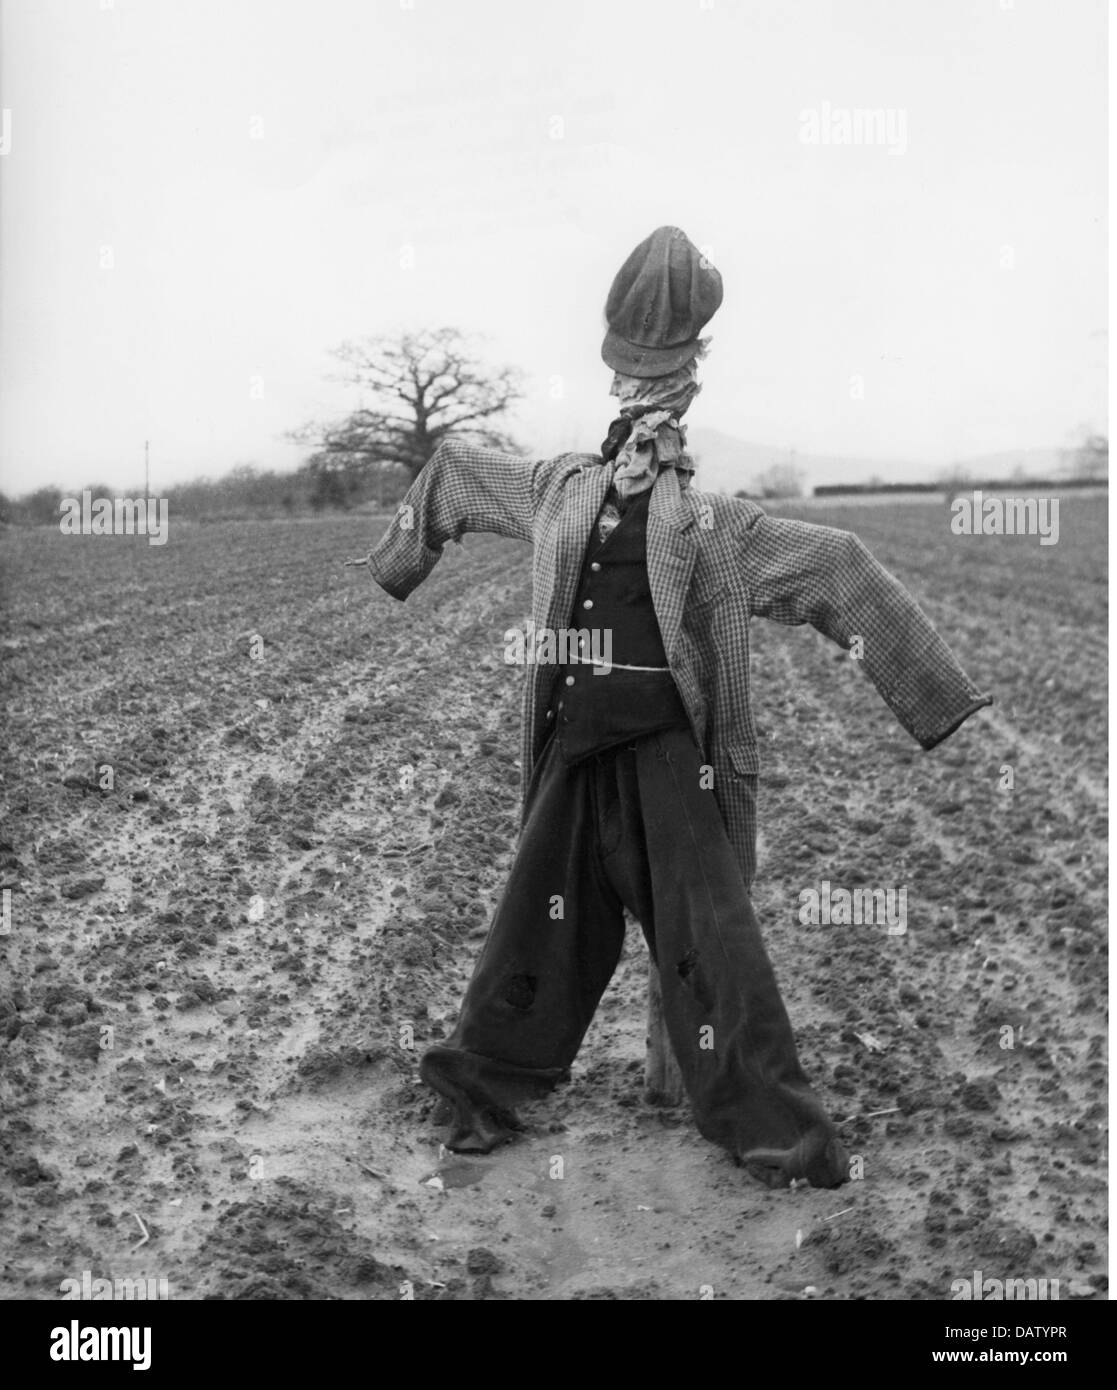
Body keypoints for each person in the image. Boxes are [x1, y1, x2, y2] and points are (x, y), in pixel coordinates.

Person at [360, 226, 992, 1189]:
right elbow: (451, 468)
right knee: (531, 940)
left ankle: (772, 1130)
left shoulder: (717, 528)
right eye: (634, 396)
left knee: (715, 953)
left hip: (672, 766)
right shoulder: (559, 492)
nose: (642, 424)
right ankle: (482, 1089)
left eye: (657, 401)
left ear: (682, 405)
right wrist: (399, 557)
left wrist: (937, 696)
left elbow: (837, 567)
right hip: (573, 757)